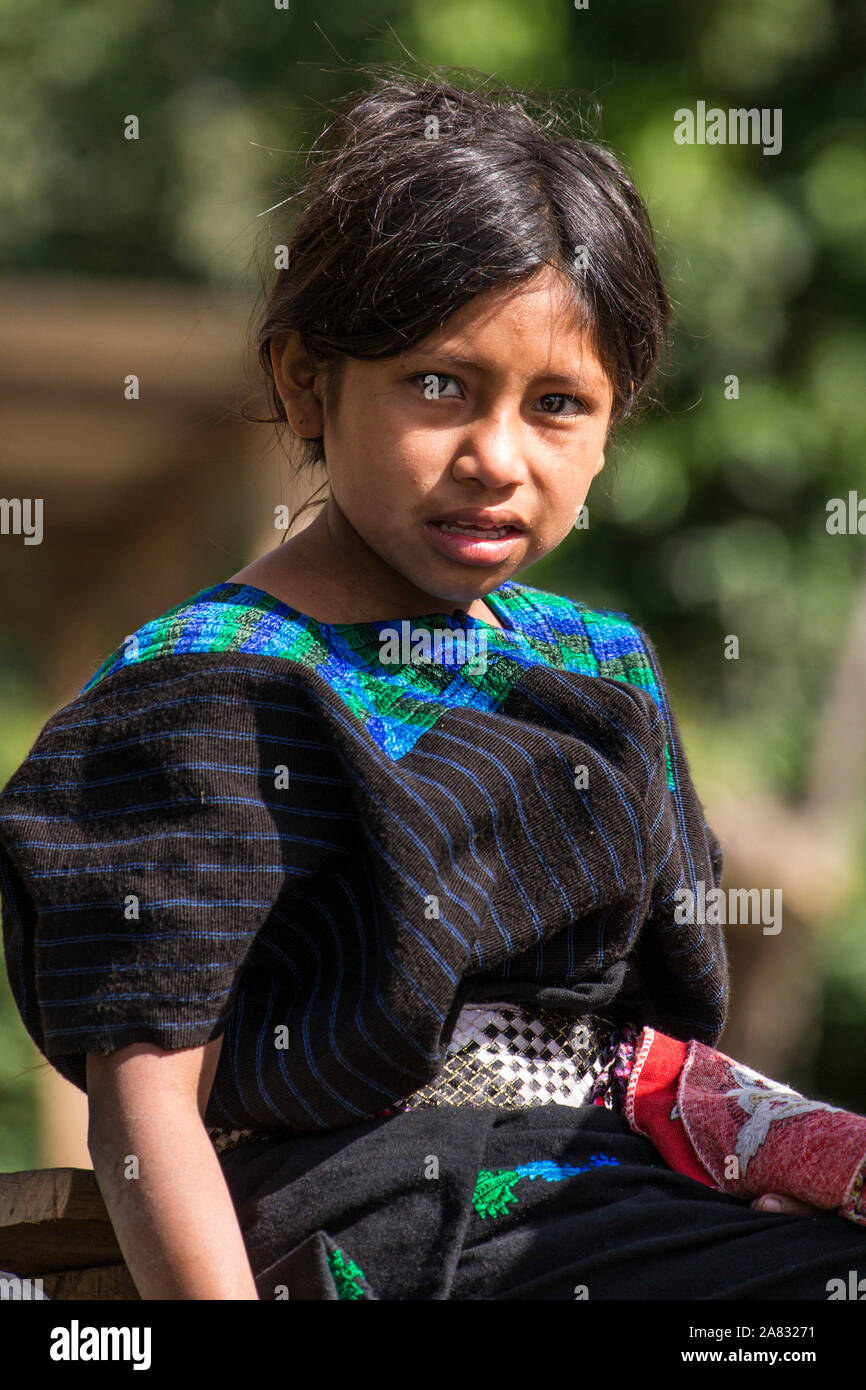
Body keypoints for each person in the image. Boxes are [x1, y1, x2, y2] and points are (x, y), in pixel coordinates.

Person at [1, 71, 864, 1301]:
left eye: (557, 405)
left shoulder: (595, 668)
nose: (495, 458)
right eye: (439, 385)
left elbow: (649, 1041)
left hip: (618, 1186)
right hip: (385, 1212)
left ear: (611, 431)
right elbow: (146, 1116)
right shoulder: (203, 695)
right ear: (306, 382)